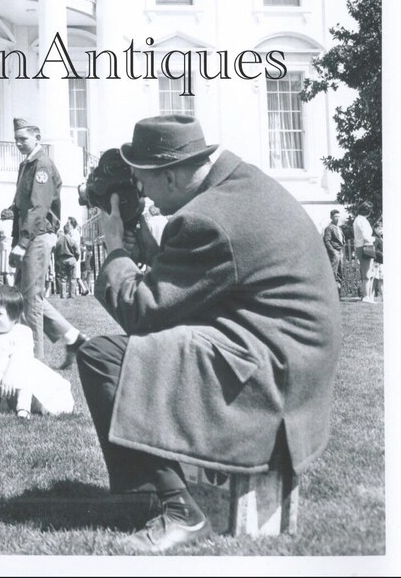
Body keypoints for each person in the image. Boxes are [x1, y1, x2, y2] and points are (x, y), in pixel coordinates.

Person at [77, 115, 341, 553]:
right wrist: (145, 241)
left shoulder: (208, 218)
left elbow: (144, 314)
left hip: (272, 372)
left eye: (144, 183)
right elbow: (208, 282)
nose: (142, 194)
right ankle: (161, 487)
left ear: (172, 174)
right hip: (292, 356)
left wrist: (116, 249)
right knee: (149, 352)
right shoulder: (240, 186)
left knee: (102, 356)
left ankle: (181, 510)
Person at [8, 118, 88, 366]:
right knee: (27, 297)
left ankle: (33, 360)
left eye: (23, 139)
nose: (19, 143)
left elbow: (38, 207)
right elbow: (26, 203)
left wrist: (22, 243)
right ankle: (73, 337)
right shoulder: (28, 164)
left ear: (37, 138)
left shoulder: (41, 165)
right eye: (16, 139)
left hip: (36, 236)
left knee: (29, 300)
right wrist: (11, 209)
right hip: (32, 233)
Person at [0, 284, 73, 419]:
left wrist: (9, 376)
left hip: (16, 382)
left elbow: (20, 357)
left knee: (27, 369)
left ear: (14, 317)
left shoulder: (22, 332)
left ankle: (23, 408)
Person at [353, 202, 377, 303]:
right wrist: (374, 238)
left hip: (362, 247)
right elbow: (366, 237)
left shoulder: (358, 219)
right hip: (365, 247)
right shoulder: (362, 220)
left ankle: (368, 296)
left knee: (368, 272)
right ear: (367, 211)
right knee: (367, 273)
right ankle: (366, 297)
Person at [53, 221, 80, 299]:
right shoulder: (72, 240)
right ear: (69, 231)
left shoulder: (59, 241)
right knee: (72, 278)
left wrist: (57, 260)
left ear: (64, 230)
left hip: (62, 260)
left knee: (63, 279)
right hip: (72, 259)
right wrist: (76, 259)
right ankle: (72, 295)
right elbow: (77, 252)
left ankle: (63, 295)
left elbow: (55, 251)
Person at [322, 209, 345, 296]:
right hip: (334, 252)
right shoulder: (329, 228)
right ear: (331, 217)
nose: (337, 218)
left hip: (340, 251)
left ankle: (338, 294)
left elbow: (342, 240)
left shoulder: (339, 228)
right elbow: (327, 240)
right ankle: (329, 293)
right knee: (333, 272)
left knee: (339, 272)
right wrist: (333, 252)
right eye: (335, 217)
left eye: (338, 216)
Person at [0, 208, 15, 285]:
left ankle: (11, 290)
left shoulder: (0, 225)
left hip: (5, 251)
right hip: (15, 249)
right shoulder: (15, 224)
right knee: (14, 272)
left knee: (7, 272)